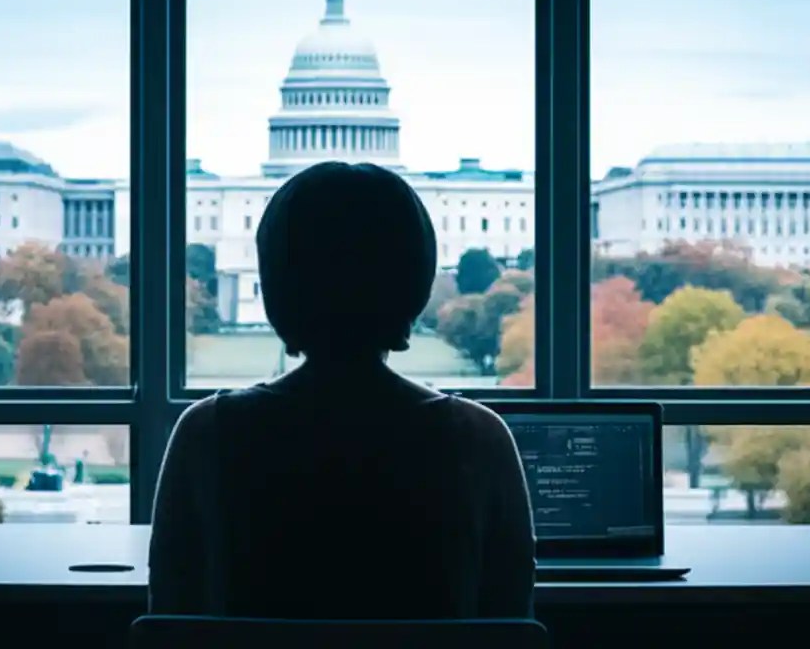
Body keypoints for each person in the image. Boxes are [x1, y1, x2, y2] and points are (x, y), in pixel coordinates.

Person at [148, 161, 535, 619]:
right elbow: (510, 623)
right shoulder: (479, 438)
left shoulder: (206, 433)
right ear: (414, 282)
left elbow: (171, 617)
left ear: (277, 287)